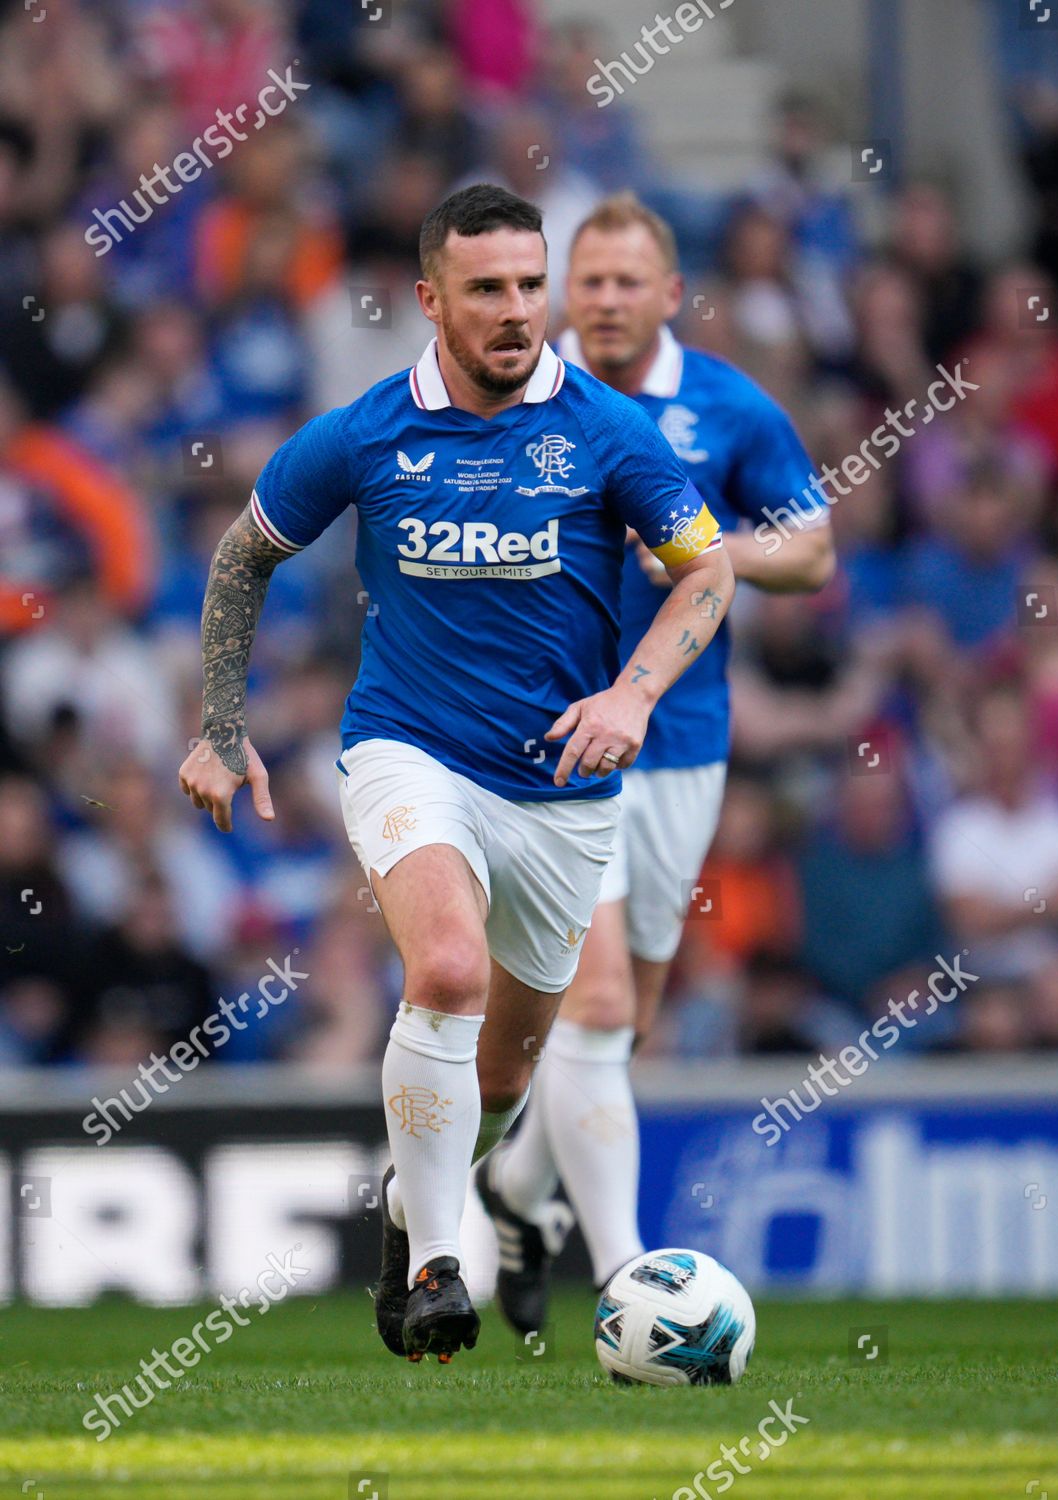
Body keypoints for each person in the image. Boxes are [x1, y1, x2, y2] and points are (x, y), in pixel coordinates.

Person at [178, 184, 734, 1362]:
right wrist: (221, 725)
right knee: (443, 967)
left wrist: (633, 693)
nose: (518, 310)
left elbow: (708, 572)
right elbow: (243, 559)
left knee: (507, 1073)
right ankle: (438, 1263)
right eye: (488, 289)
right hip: (407, 751)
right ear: (430, 300)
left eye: (532, 285)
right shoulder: (366, 432)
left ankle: (405, 1201)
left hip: (562, 794)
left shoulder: (607, 430)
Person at [476, 192, 834, 1333]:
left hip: (684, 740)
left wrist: (705, 549)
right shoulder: (522, 395)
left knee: (624, 1027)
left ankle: (519, 1193)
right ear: (565, 293)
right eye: (592, 281)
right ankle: (629, 1282)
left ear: (671, 295)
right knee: (597, 997)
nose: (610, 300)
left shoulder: (729, 409)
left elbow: (816, 551)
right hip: (555, 737)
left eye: (632, 282)